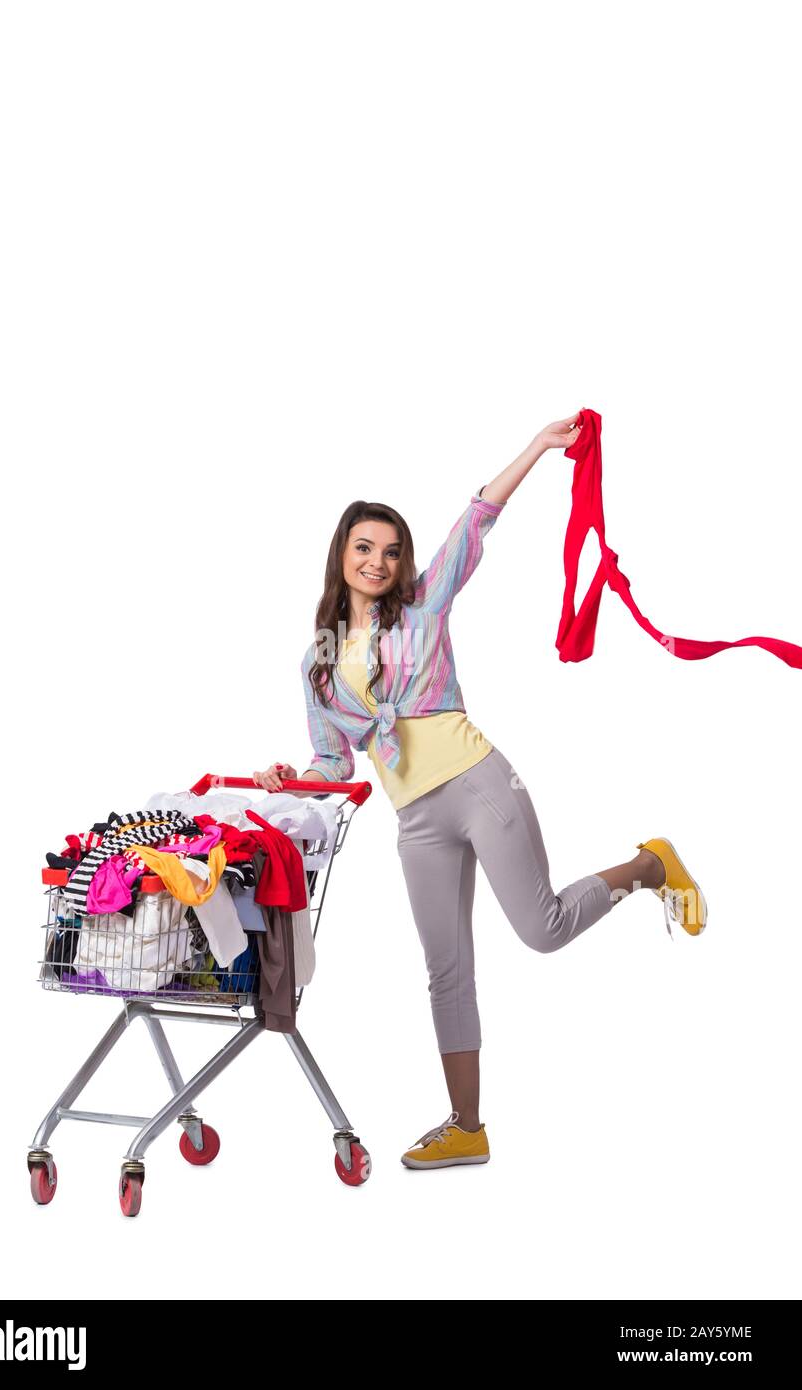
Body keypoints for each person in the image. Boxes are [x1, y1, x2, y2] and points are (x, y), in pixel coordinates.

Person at [253, 410, 707, 1172]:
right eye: (364, 548)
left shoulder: (423, 605)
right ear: (341, 554)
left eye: (390, 552)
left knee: (544, 929)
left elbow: (476, 521)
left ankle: (648, 866)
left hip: (475, 780)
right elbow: (331, 764)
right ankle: (466, 1125)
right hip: (414, 821)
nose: (377, 561)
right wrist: (285, 776)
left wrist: (534, 445)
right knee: (445, 968)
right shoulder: (321, 659)